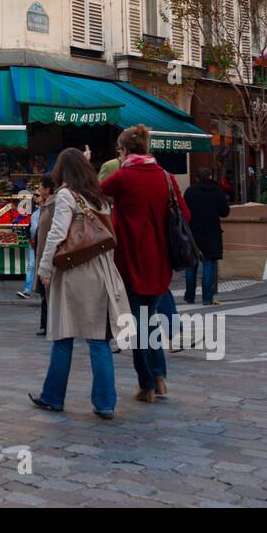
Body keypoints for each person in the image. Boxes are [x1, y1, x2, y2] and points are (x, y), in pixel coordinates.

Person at [28, 148, 132, 420]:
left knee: (63, 336)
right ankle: (105, 402)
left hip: (75, 270)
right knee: (99, 339)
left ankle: (53, 396)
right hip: (102, 269)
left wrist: (44, 267)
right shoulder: (100, 198)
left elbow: (57, 234)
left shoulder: (66, 195)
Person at [101, 124, 191, 404]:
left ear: (124, 151)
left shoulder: (123, 177)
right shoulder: (166, 177)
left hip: (131, 261)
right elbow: (185, 213)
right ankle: (160, 378)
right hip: (160, 261)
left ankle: (148, 384)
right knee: (149, 319)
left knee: (137, 324)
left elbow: (95, 193)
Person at [183, 168, 230, 307]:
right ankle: (207, 298)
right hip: (211, 233)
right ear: (210, 177)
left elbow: (184, 210)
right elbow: (224, 212)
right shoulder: (218, 192)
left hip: (193, 232)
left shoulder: (190, 191)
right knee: (208, 265)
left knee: (191, 265)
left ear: (197, 178)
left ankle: (189, 296)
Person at [31, 174, 56, 335]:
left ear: (47, 188)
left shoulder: (54, 205)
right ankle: (46, 324)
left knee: (49, 291)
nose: (38, 189)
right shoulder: (46, 205)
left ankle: (51, 325)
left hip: (49, 255)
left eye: (40, 186)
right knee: (45, 292)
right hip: (42, 252)